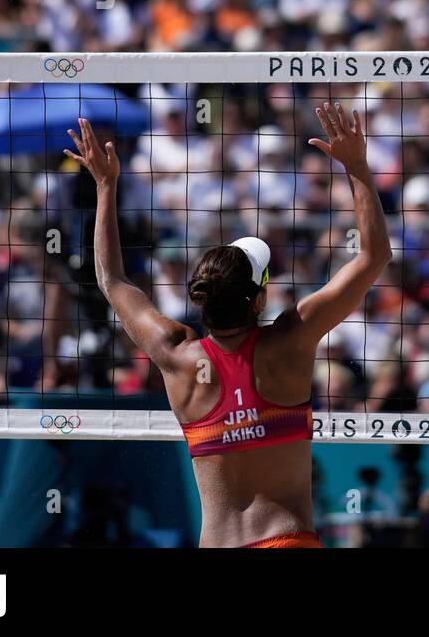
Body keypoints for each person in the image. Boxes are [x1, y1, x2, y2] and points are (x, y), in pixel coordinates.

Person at [64, 106, 391, 548]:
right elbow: (372, 257)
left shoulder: (178, 357)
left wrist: (106, 187)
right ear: (259, 300)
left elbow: (112, 280)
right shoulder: (290, 341)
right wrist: (356, 168)